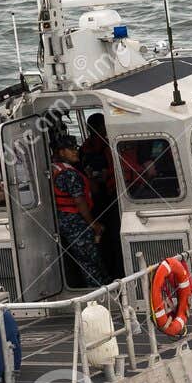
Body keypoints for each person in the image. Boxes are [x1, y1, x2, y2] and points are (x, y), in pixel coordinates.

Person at [50, 134, 107, 289]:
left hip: (62, 222)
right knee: (90, 262)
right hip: (75, 223)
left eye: (75, 148)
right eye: (71, 149)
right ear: (61, 152)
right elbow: (80, 202)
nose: (76, 151)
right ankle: (99, 294)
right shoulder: (69, 174)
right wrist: (93, 224)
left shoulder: (53, 169)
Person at [79, 113, 123, 278]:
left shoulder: (84, 149)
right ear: (100, 128)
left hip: (96, 201)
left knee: (105, 240)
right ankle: (116, 273)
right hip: (108, 199)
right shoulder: (106, 146)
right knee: (113, 238)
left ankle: (110, 273)